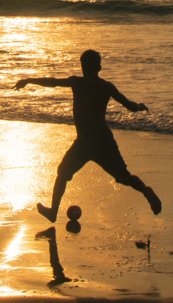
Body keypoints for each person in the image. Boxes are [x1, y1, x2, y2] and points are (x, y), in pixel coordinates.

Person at [14, 49, 162, 222]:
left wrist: (28, 80)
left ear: (83, 67)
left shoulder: (78, 83)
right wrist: (139, 106)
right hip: (104, 140)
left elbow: (53, 82)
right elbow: (128, 105)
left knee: (63, 173)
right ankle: (146, 191)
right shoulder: (107, 87)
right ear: (99, 67)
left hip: (85, 142)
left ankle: (53, 211)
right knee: (123, 176)